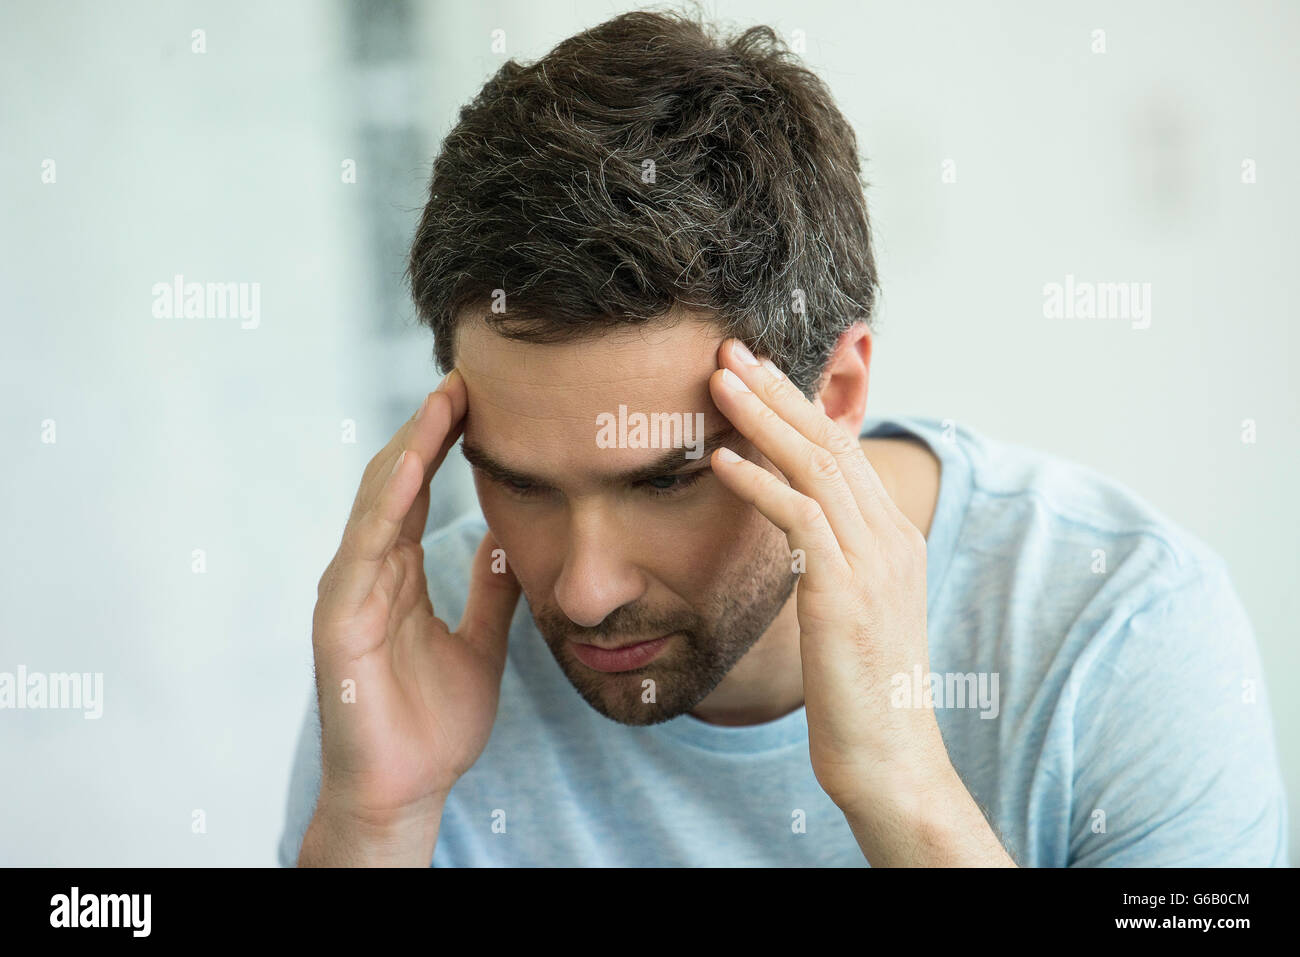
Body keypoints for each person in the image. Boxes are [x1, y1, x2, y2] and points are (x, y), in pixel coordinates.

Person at [279, 10, 1288, 867]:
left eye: (667, 481)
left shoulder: (1118, 628)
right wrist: (377, 820)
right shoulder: (422, 642)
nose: (584, 590)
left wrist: (905, 798)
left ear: (836, 390)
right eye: (523, 486)